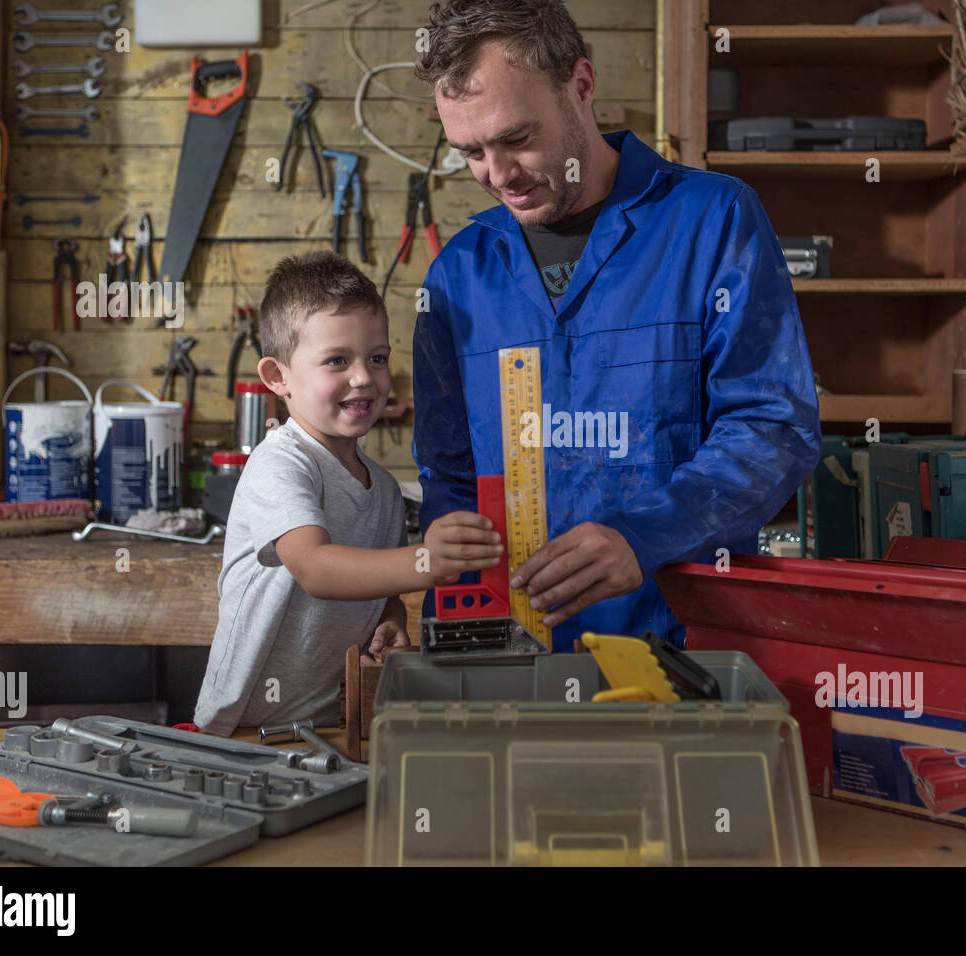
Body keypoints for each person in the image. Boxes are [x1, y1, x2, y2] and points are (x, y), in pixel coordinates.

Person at [412, 0, 821, 652]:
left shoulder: (714, 223)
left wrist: (646, 534)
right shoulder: (458, 277)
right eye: (470, 152)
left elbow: (772, 429)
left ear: (580, 87)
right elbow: (449, 483)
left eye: (516, 139)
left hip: (686, 653)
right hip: (512, 664)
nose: (498, 176)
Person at [194, 252, 503, 735]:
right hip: (244, 732)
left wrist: (392, 616)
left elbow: (374, 586)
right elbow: (316, 567)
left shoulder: (382, 490)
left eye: (376, 358)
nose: (363, 377)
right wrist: (427, 562)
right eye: (337, 360)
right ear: (278, 378)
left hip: (326, 727)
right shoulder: (280, 463)